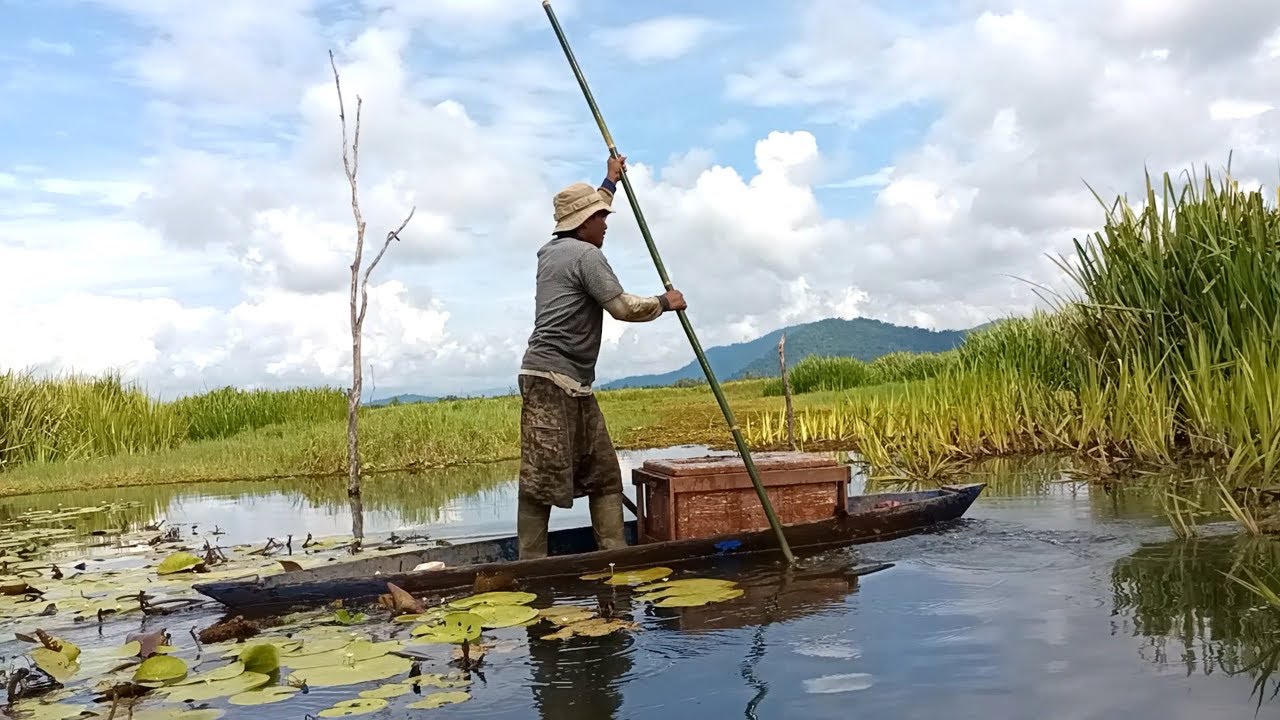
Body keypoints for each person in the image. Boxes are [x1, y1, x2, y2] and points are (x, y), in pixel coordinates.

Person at [516, 153, 687, 560]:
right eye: (601, 218)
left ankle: (614, 553)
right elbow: (623, 308)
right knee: (540, 480)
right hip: (549, 380)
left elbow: (590, 213)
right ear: (583, 224)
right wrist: (665, 302)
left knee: (605, 475)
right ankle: (531, 565)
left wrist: (609, 182)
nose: (606, 224)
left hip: (577, 384)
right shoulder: (584, 256)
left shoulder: (554, 251)